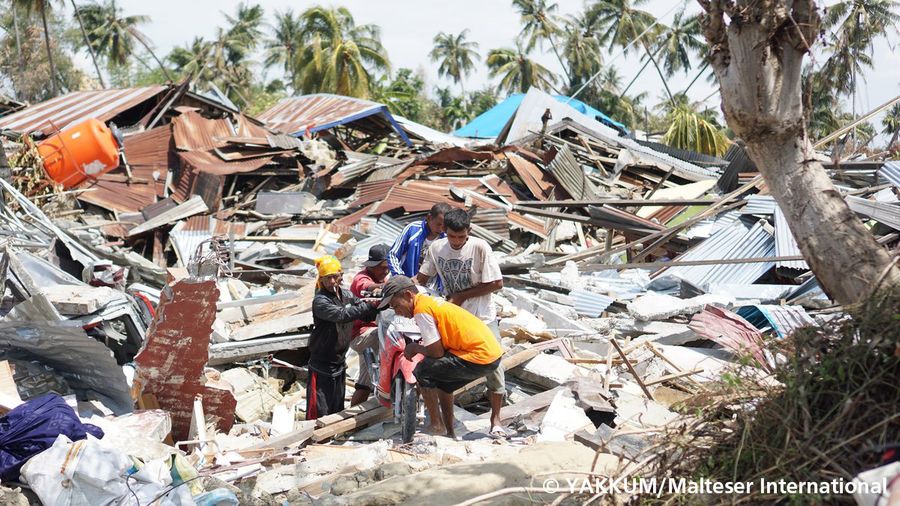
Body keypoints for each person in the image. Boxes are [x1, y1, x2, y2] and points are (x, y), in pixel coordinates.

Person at [415, 208, 507, 437]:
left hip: (481, 315)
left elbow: (496, 283)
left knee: (494, 364)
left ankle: (496, 421)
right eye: (452, 237)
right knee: (443, 367)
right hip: (453, 318)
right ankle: (446, 423)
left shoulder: (479, 247)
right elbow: (423, 277)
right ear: (444, 231)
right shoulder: (437, 248)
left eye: (461, 237)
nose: (456, 242)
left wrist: (463, 295)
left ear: (469, 232)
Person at [378, 276, 502, 440]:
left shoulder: (421, 310)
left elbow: (436, 352)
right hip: (491, 355)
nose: (397, 312)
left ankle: (436, 424)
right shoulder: (430, 302)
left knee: (423, 370)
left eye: (396, 306)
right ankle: (449, 431)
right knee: (444, 384)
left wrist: (414, 347)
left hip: (478, 355)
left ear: (409, 295)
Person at [307, 255, 378, 419]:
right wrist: (368, 305)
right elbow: (342, 315)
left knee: (337, 409)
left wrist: (377, 307)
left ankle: (333, 436)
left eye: (335, 277)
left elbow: (361, 308)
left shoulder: (345, 294)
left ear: (341, 276)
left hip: (339, 361)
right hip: (322, 363)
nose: (332, 281)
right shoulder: (320, 301)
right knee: (320, 412)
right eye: (327, 278)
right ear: (321, 279)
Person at [347, 244, 391, 406]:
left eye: (388, 267)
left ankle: (353, 422)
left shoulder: (384, 280)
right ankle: (390, 380)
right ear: (372, 266)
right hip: (361, 335)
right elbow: (366, 287)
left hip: (371, 337)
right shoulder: (362, 278)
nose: (385, 271)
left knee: (364, 386)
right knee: (391, 337)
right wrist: (390, 287)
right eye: (382, 267)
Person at [388, 203, 451, 280]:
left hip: (430, 289)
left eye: (444, 226)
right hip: (405, 283)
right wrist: (400, 277)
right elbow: (393, 254)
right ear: (429, 218)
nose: (441, 229)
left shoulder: (446, 239)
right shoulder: (412, 229)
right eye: (438, 224)